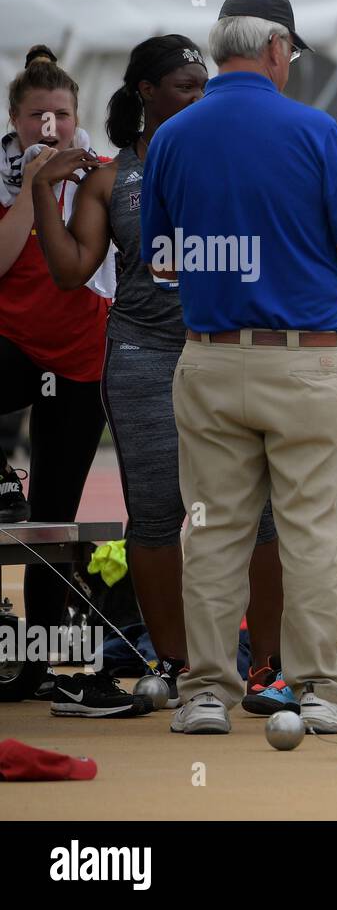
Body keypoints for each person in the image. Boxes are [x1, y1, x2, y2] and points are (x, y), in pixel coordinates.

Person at [142, 0, 337, 734]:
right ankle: (318, 692)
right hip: (304, 360)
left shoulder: (174, 136)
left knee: (211, 530)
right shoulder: (312, 131)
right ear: (277, 48)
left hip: (209, 357)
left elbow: (162, 259)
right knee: (311, 532)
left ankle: (207, 692)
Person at [32, 35, 288, 713]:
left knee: (260, 514)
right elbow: (69, 272)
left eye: (204, 89)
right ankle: (172, 663)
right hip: (143, 354)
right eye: (183, 88)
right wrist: (39, 191)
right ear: (145, 93)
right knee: (154, 515)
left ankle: (268, 668)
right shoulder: (111, 179)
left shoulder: (229, 162)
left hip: (226, 348)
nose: (197, 100)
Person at [0, 46, 134, 715]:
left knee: (53, 519)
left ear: (78, 117)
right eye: (35, 116)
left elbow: (92, 262)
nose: (48, 126)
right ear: (14, 120)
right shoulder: (3, 176)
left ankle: (40, 664)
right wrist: (30, 182)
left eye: (60, 114)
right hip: (11, 344)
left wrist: (66, 180)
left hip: (78, 358)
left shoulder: (101, 176)